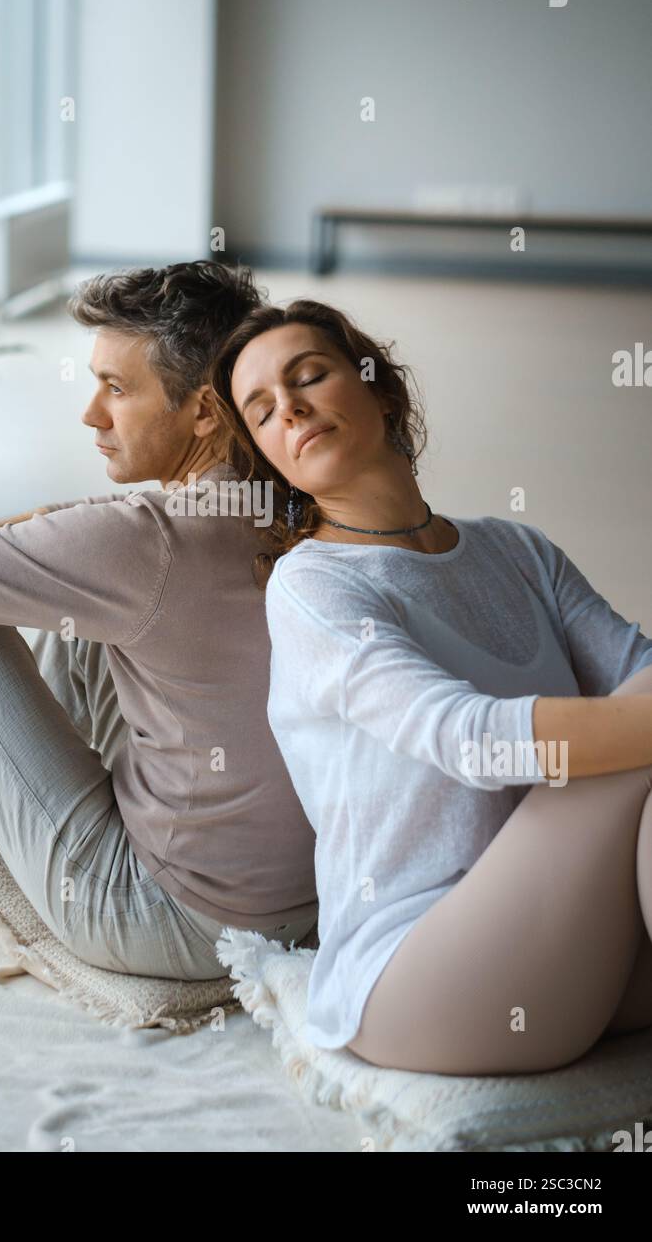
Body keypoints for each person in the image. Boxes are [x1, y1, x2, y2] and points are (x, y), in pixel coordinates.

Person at [0, 261, 319, 981]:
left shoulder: (145, 540)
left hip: (170, 923)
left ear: (207, 410)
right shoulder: (294, 497)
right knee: (83, 619)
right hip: (296, 905)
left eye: (116, 389)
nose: (91, 414)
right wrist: (56, 530)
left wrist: (27, 530)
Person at [208, 296, 652, 1075]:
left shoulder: (515, 549)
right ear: (267, 454)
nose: (292, 410)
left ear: (380, 388)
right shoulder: (312, 586)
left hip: (578, 952)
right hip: (425, 980)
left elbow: (637, 669)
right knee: (625, 759)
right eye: (263, 411)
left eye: (309, 376)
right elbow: (471, 740)